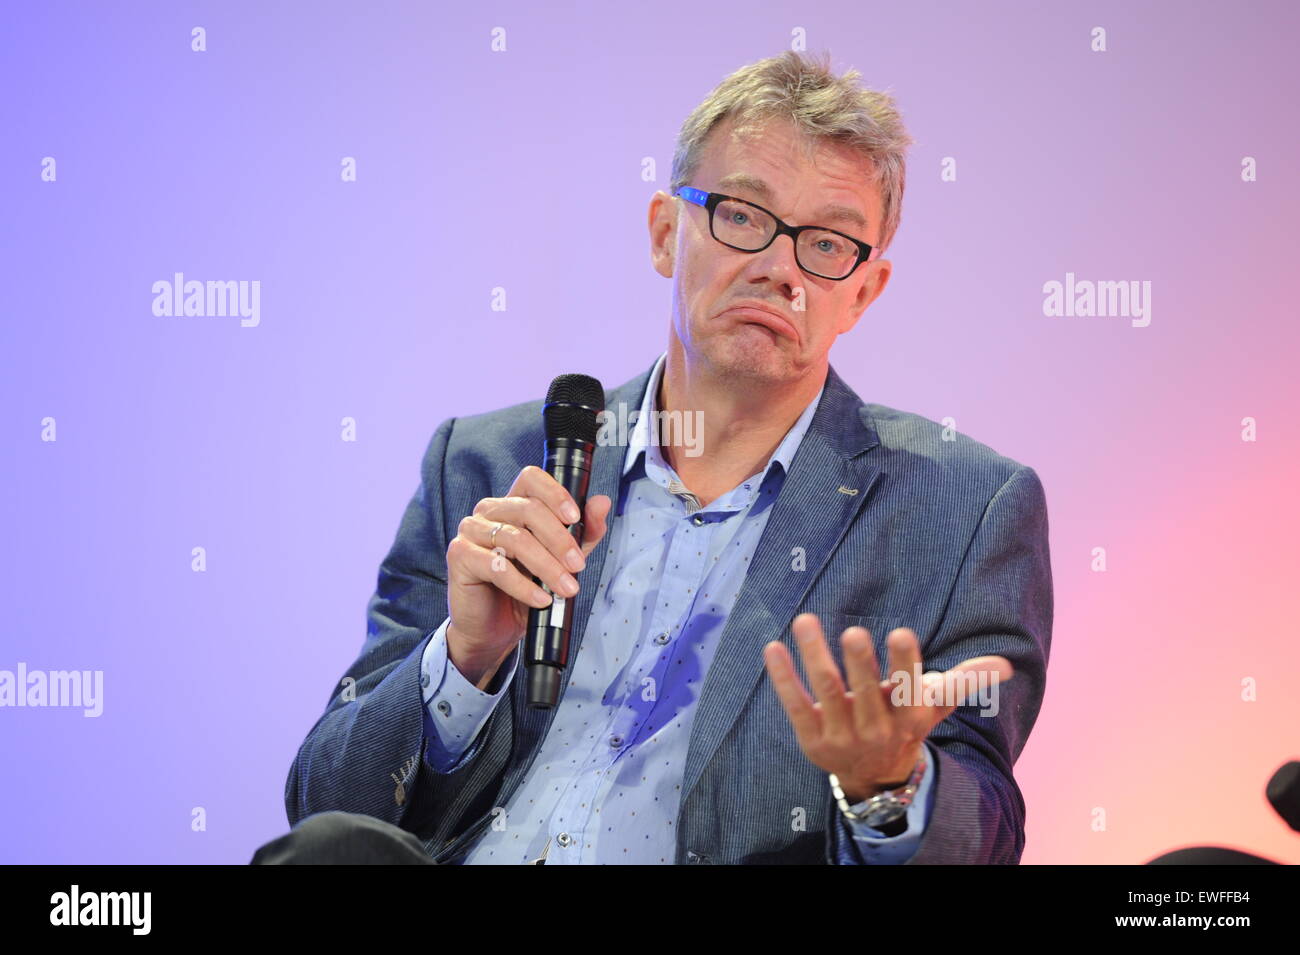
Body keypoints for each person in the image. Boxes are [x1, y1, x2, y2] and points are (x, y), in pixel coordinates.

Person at [252, 49, 1052, 866]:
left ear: (865, 290)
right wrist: (464, 659)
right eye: (743, 214)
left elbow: (984, 834)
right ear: (666, 233)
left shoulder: (963, 508)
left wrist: (890, 783)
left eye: (829, 244)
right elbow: (324, 801)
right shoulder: (488, 464)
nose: (781, 269)